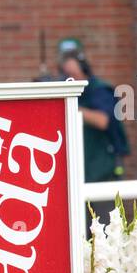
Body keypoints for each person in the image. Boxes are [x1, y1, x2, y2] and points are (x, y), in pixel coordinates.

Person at [56, 38, 130, 184]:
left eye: (72, 60)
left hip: (103, 172)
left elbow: (102, 120)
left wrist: (72, 108)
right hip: (76, 174)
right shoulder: (63, 88)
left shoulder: (99, 89)